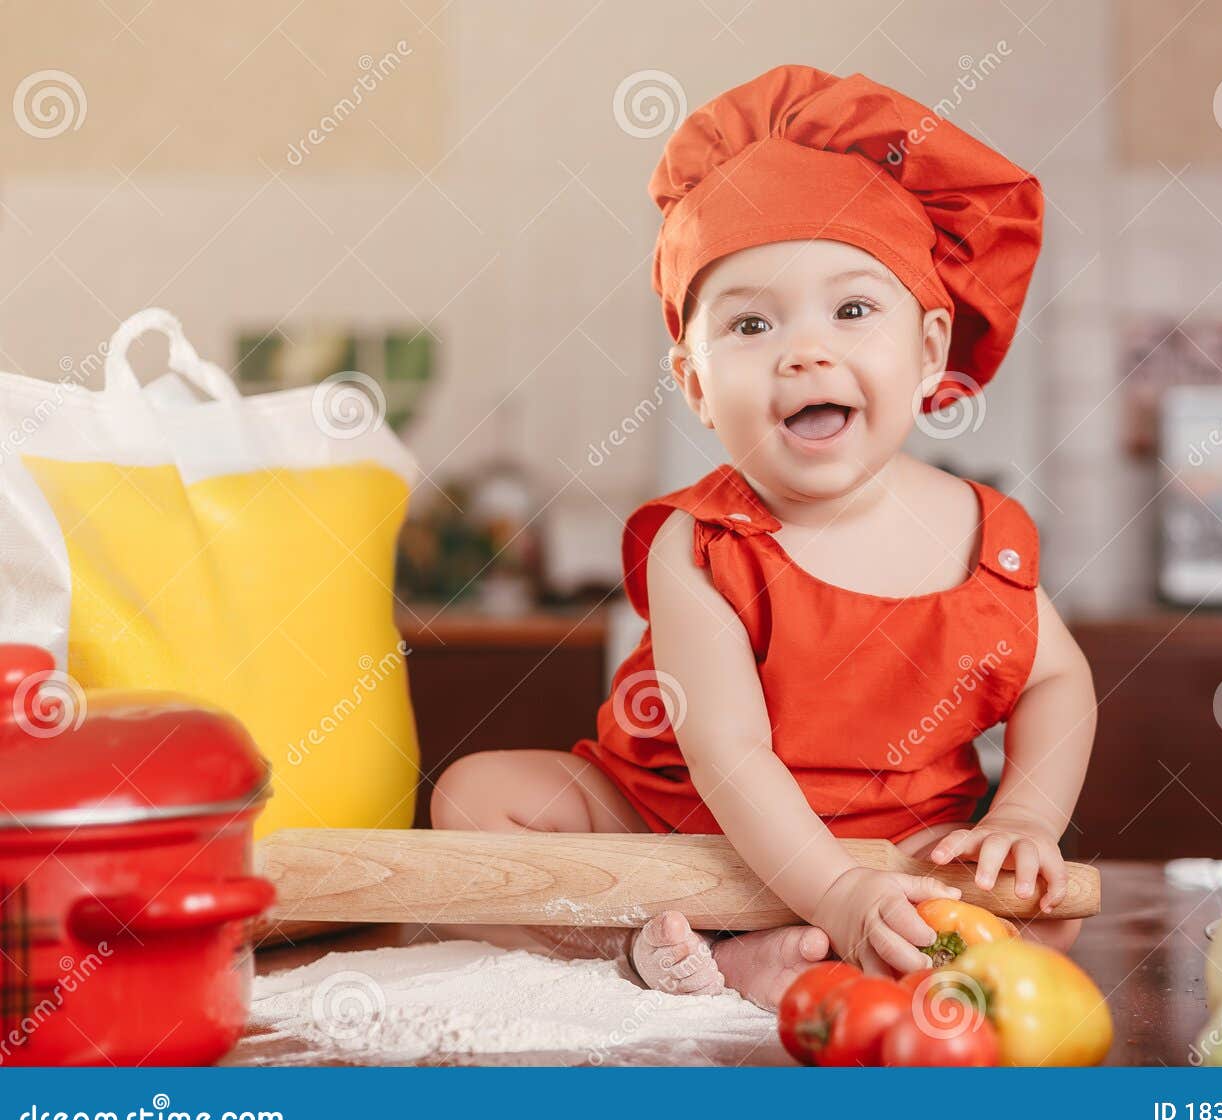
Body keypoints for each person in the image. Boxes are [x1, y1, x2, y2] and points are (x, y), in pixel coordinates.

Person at [432, 64, 1096, 1012]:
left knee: (1047, 909)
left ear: (931, 353)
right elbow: (730, 755)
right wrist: (836, 892)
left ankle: (786, 955)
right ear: (696, 384)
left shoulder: (983, 535)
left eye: (854, 309)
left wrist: (1026, 814)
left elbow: (1058, 680)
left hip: (892, 852)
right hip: (687, 842)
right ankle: (647, 954)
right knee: (476, 797)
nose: (804, 350)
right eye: (750, 322)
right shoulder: (700, 545)